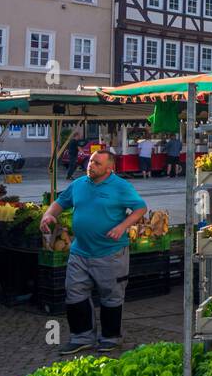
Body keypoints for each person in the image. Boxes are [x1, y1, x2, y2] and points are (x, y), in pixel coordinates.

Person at [41, 149, 147, 354]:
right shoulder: (79, 184)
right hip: (80, 252)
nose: (91, 165)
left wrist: (121, 227)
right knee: (74, 293)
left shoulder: (121, 186)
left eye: (97, 163)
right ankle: (81, 337)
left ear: (110, 168)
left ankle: (111, 337)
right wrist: (47, 215)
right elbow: (59, 203)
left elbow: (140, 208)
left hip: (110, 253)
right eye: (90, 161)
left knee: (111, 296)